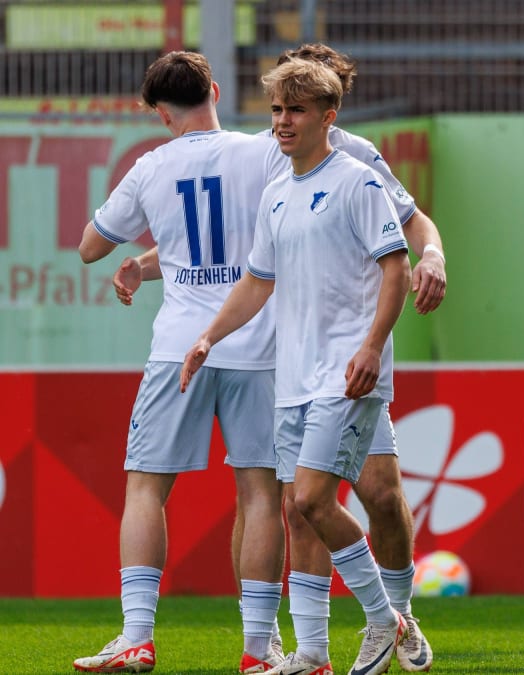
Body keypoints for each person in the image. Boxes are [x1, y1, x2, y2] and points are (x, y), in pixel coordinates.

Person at [114, 44, 444, 675]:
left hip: (349, 364)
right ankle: (311, 647)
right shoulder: (276, 179)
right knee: (295, 503)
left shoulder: (356, 166)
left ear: (329, 105)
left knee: (366, 493)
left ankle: (391, 616)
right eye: (276, 107)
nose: (283, 119)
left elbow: (406, 237)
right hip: (289, 366)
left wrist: (432, 261)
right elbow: (254, 267)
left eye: (297, 106)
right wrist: (204, 329)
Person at [73, 51, 291, 673]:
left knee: (146, 489)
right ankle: (257, 650)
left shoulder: (150, 167)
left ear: (159, 114)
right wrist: (154, 258)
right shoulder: (264, 151)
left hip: (178, 351)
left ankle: (138, 636)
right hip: (256, 345)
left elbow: (90, 247)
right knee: (258, 496)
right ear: (215, 91)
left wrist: (144, 252)